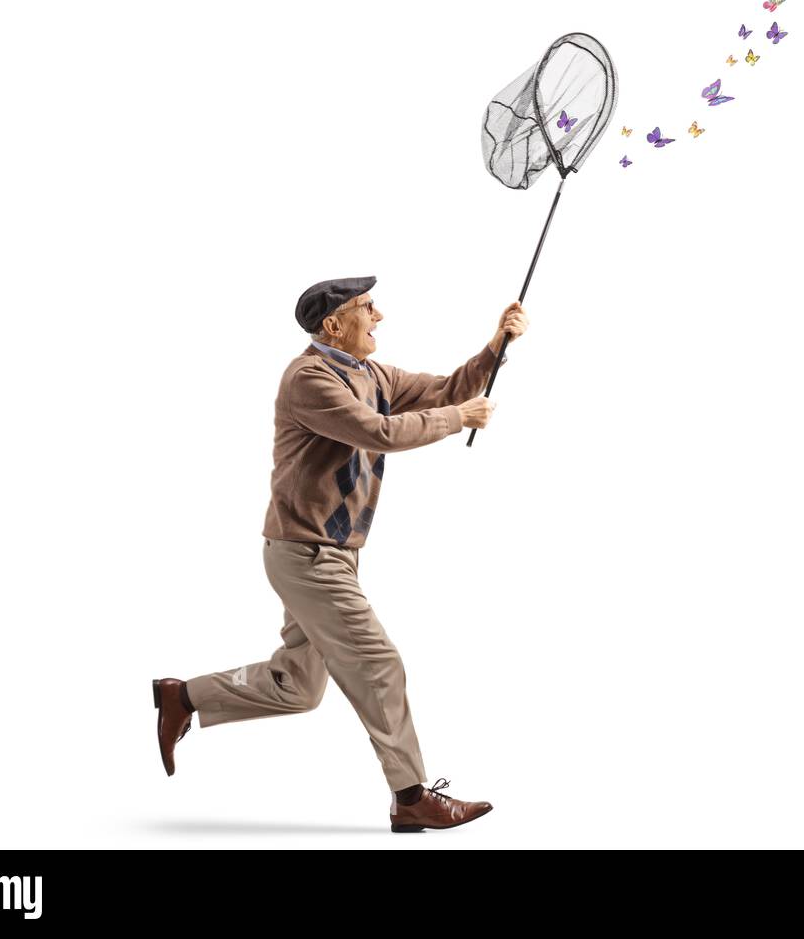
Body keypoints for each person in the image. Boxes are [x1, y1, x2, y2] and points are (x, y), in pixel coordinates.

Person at [152, 275, 527, 832]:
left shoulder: (370, 373)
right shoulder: (308, 378)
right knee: (378, 663)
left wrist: (495, 347)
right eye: (367, 308)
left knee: (298, 687)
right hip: (308, 555)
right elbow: (378, 432)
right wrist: (459, 420)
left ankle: (185, 696)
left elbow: (446, 388)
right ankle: (411, 796)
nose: (379, 316)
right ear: (333, 325)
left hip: (329, 554)